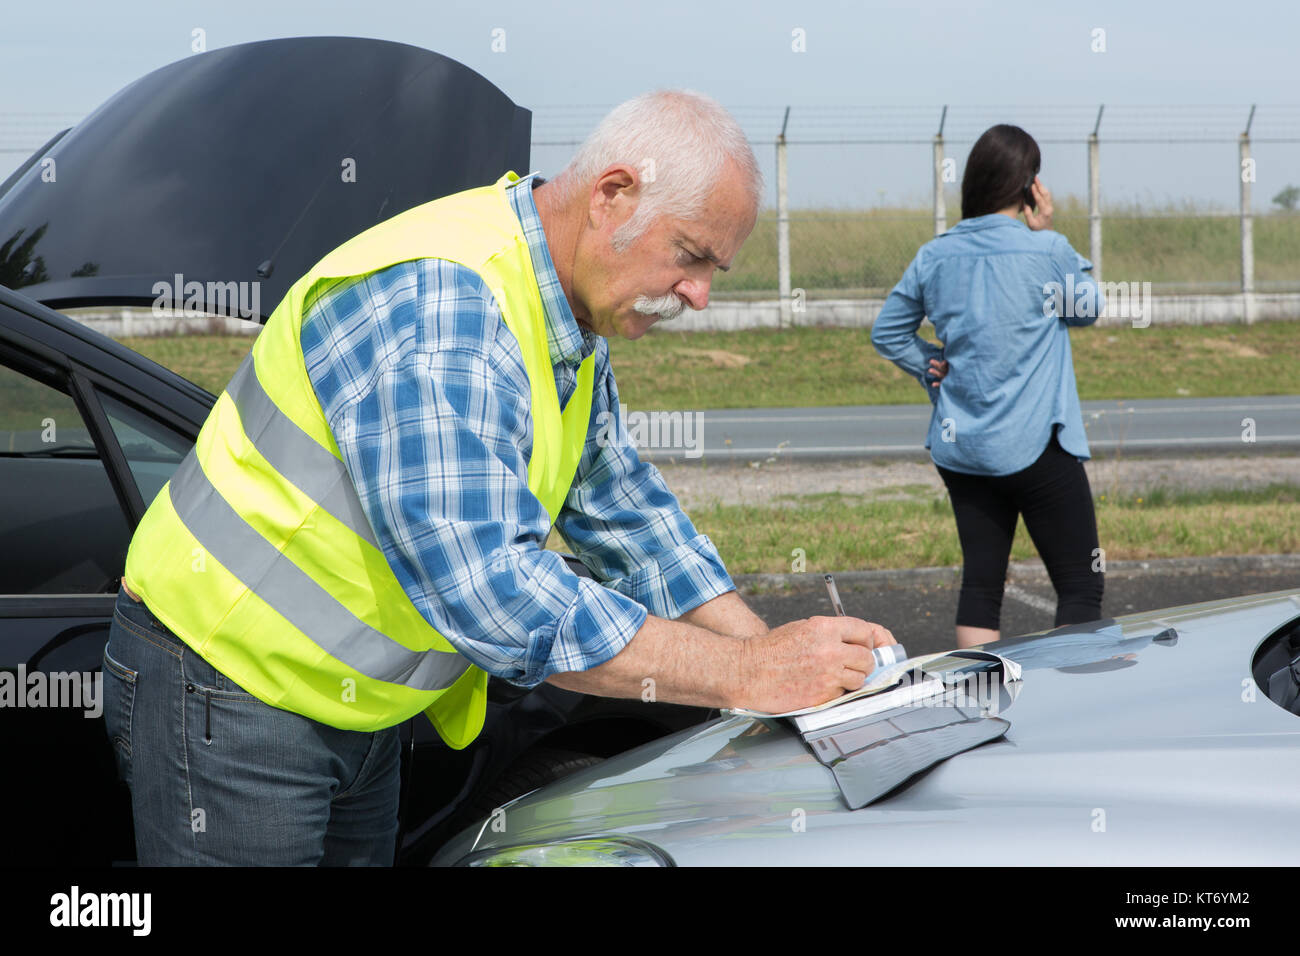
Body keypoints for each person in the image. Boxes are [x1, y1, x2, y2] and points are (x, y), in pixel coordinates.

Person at [102, 89, 896, 865]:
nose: (701, 293)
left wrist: (773, 656)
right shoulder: (447, 305)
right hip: (229, 686)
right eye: (691, 255)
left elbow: (624, 509)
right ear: (613, 196)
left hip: (356, 704)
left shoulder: (565, 317)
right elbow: (490, 587)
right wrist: (744, 673)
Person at [871, 123, 1104, 650]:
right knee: (1079, 586)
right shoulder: (1044, 251)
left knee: (981, 584)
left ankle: (975, 708)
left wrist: (928, 362)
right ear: (1029, 187)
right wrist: (1047, 235)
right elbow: (1088, 309)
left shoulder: (934, 255)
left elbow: (886, 331)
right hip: (1040, 447)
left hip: (963, 449)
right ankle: (1079, 710)